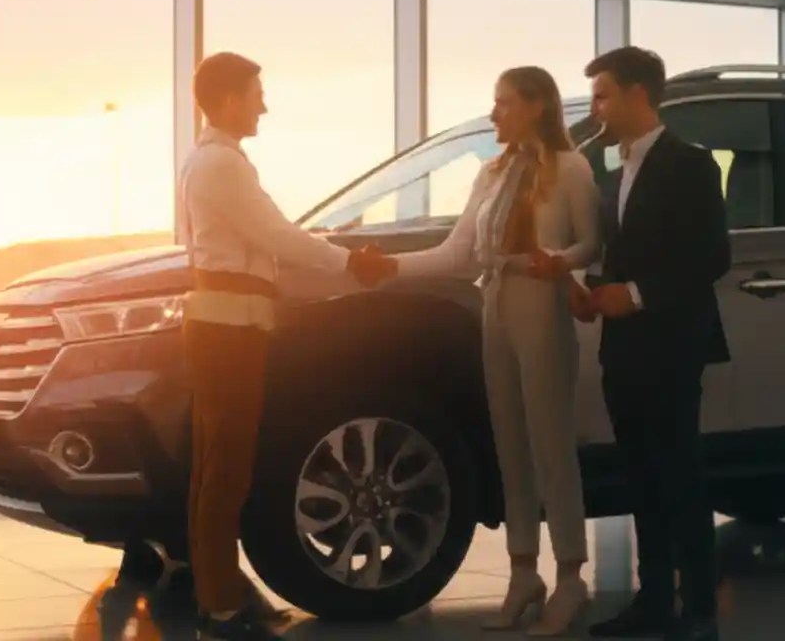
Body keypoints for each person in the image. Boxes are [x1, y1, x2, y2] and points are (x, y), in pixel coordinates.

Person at [178, 51, 393, 641]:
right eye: (256, 95)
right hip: (230, 328)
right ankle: (221, 606)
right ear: (229, 100)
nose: (263, 107)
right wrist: (349, 262)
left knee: (217, 465)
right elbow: (276, 235)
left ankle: (217, 592)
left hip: (222, 322)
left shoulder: (207, 160)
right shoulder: (222, 164)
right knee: (227, 467)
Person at [390, 66, 601, 636]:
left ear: (536, 106)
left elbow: (591, 242)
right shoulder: (492, 172)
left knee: (551, 442)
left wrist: (560, 261)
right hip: (497, 302)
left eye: (504, 102)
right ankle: (522, 571)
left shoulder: (571, 168)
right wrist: (388, 268)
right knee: (509, 443)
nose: (494, 113)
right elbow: (458, 254)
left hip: (542, 301)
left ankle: (571, 576)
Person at [577, 47, 731, 641]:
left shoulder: (691, 164)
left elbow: (711, 256)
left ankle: (700, 608)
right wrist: (594, 292)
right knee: (640, 474)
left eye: (602, 95)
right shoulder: (613, 173)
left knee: (678, 472)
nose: (595, 107)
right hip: (622, 346)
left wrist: (637, 295)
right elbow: (625, 257)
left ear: (637, 94)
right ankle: (654, 599)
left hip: (670, 342)